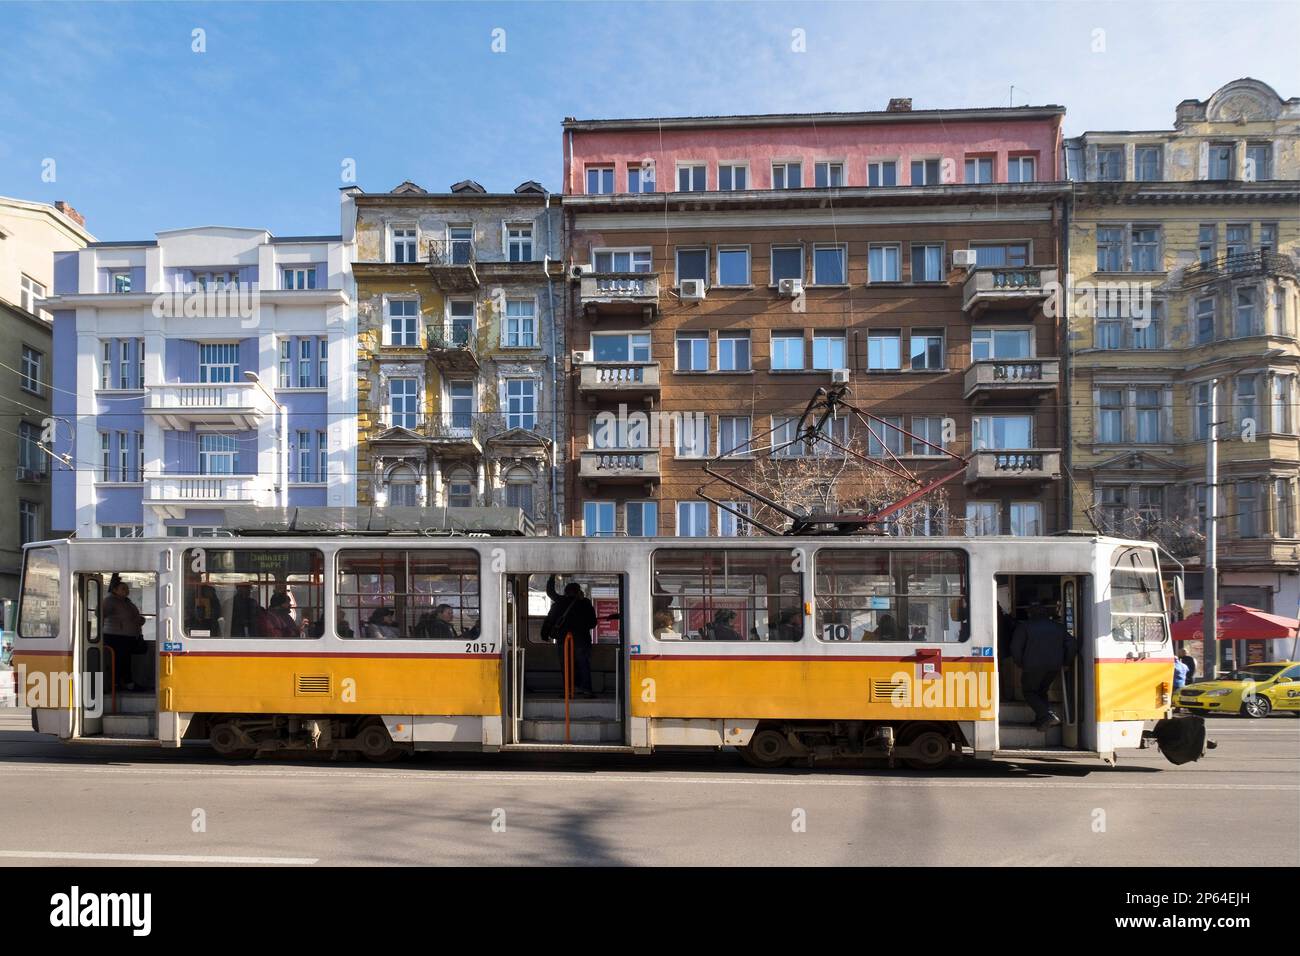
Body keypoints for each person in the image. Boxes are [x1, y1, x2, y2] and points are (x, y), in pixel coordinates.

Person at [1011, 603, 1078, 731]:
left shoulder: (1024, 626)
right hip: (1054, 666)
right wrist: (1066, 662)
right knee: (1041, 691)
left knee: (1029, 692)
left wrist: (1019, 662)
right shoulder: (1058, 627)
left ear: (1030, 614)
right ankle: (1041, 721)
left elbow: (1015, 647)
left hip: (1032, 666)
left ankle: (1047, 716)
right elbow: (1072, 644)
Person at [542, 574, 597, 697]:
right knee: (583, 665)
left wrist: (552, 577)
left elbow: (550, 618)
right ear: (579, 592)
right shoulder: (586, 604)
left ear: (566, 592)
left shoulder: (559, 602)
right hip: (582, 640)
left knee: (566, 665)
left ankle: (569, 691)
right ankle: (586, 690)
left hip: (564, 640)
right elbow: (593, 623)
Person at [102, 574, 147, 692]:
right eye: (123, 588)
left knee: (125, 660)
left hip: (127, 637)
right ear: (115, 590)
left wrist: (139, 620)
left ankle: (125, 682)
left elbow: (132, 616)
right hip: (116, 637)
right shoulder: (110, 601)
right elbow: (100, 613)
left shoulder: (126, 601)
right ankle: (119, 683)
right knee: (119, 661)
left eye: (127, 588)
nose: (126, 590)